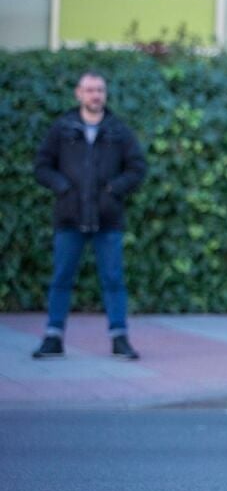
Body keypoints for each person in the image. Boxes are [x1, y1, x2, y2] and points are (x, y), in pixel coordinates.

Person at [32, 71, 147, 361]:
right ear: (78, 94)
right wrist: (63, 187)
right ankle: (53, 337)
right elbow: (42, 166)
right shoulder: (62, 128)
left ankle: (119, 338)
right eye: (90, 90)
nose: (96, 95)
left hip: (107, 220)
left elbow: (137, 168)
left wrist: (113, 190)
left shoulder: (118, 130)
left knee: (113, 279)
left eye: (100, 90)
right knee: (61, 278)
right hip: (69, 218)